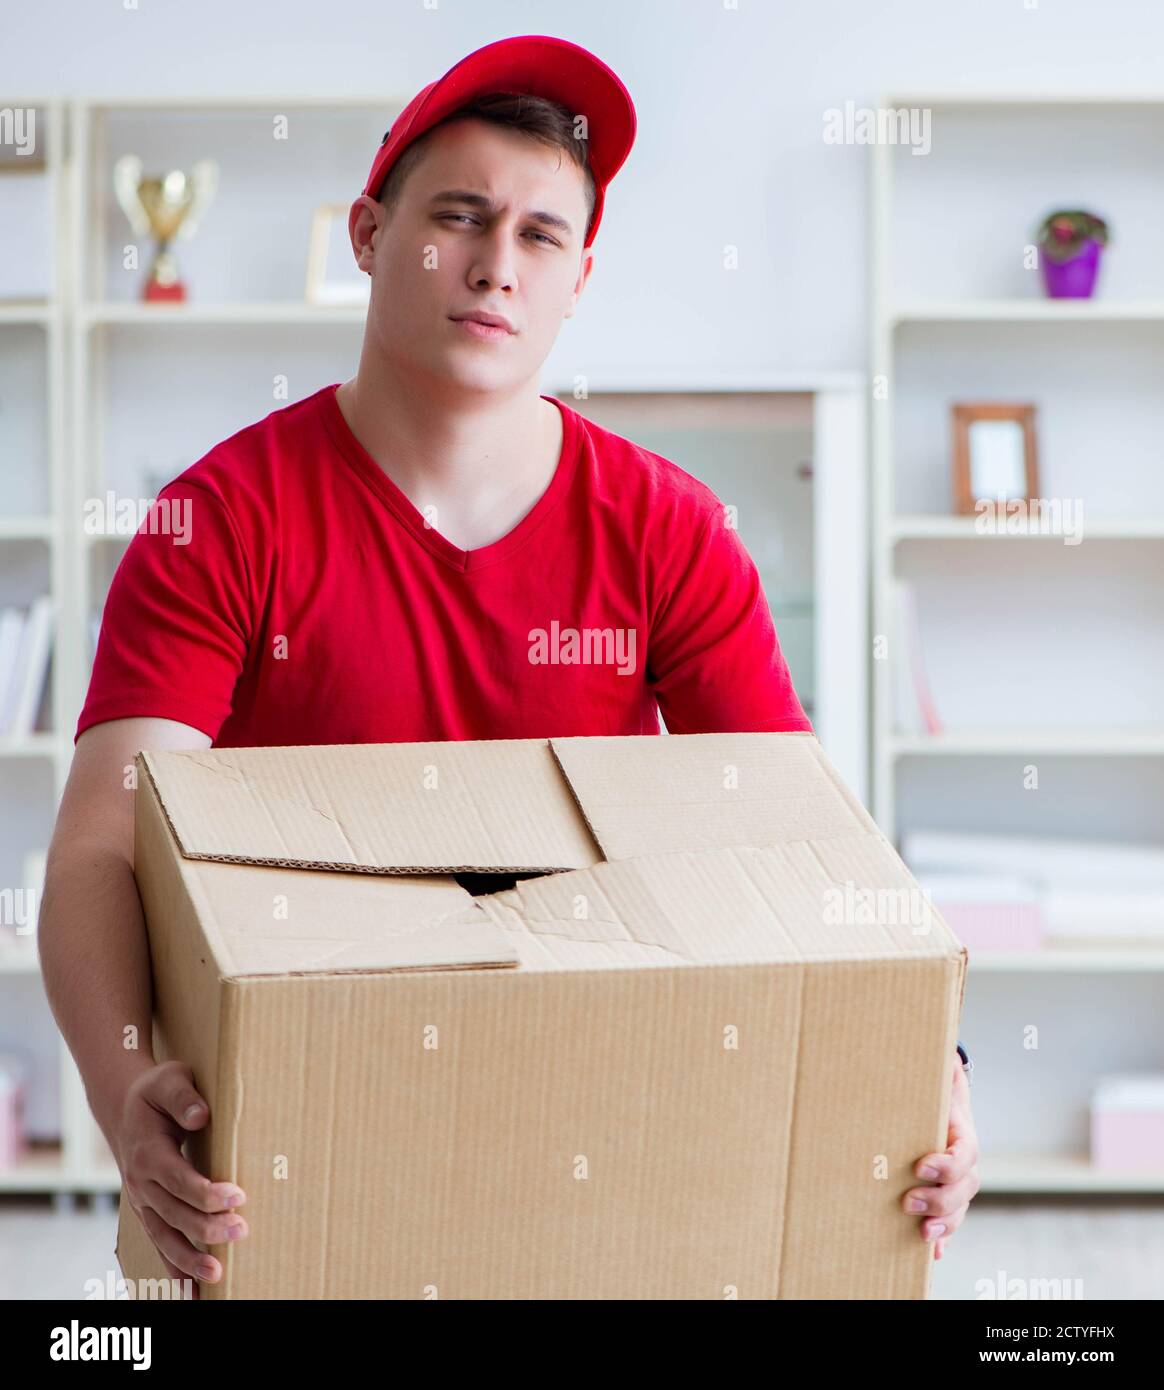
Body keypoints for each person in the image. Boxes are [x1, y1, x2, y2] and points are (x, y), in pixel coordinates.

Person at [38, 34, 977, 1295]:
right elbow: (102, 843)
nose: (494, 265)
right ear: (368, 233)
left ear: (580, 274)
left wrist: (939, 1073)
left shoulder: (670, 529)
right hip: (299, 1145)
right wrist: (120, 1081)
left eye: (541, 235)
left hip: (598, 1121)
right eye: (459, 216)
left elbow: (799, 847)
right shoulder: (221, 520)